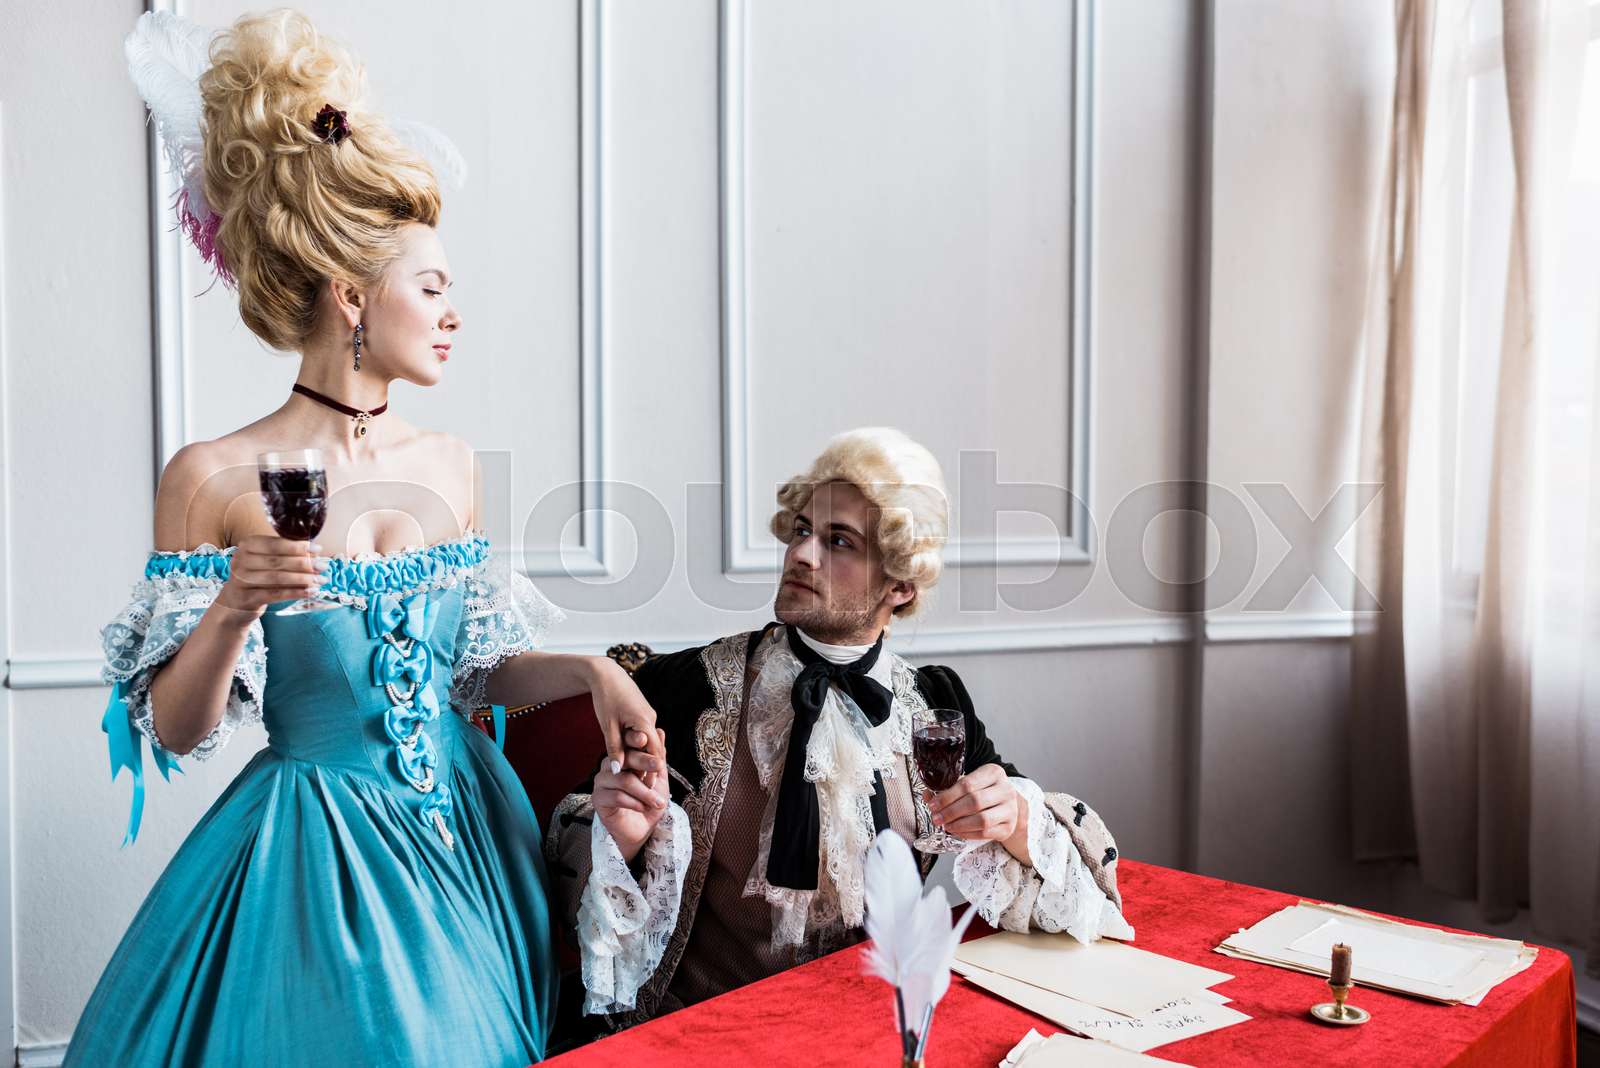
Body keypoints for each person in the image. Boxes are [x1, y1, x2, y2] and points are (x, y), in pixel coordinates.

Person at [65, 11, 661, 1065]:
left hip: (475, 851)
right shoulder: (211, 476)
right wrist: (237, 603)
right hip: (323, 859)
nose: (452, 315)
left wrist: (584, 670)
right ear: (351, 297)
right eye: (431, 288)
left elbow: (468, 680)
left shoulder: (451, 465)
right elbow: (172, 728)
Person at [546, 427, 1130, 1029]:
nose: (802, 554)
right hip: (700, 1030)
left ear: (900, 586)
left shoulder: (932, 705)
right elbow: (572, 898)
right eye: (802, 530)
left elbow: (1075, 885)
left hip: (871, 1033)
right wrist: (621, 839)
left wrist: (1015, 817)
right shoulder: (686, 686)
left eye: (839, 541)